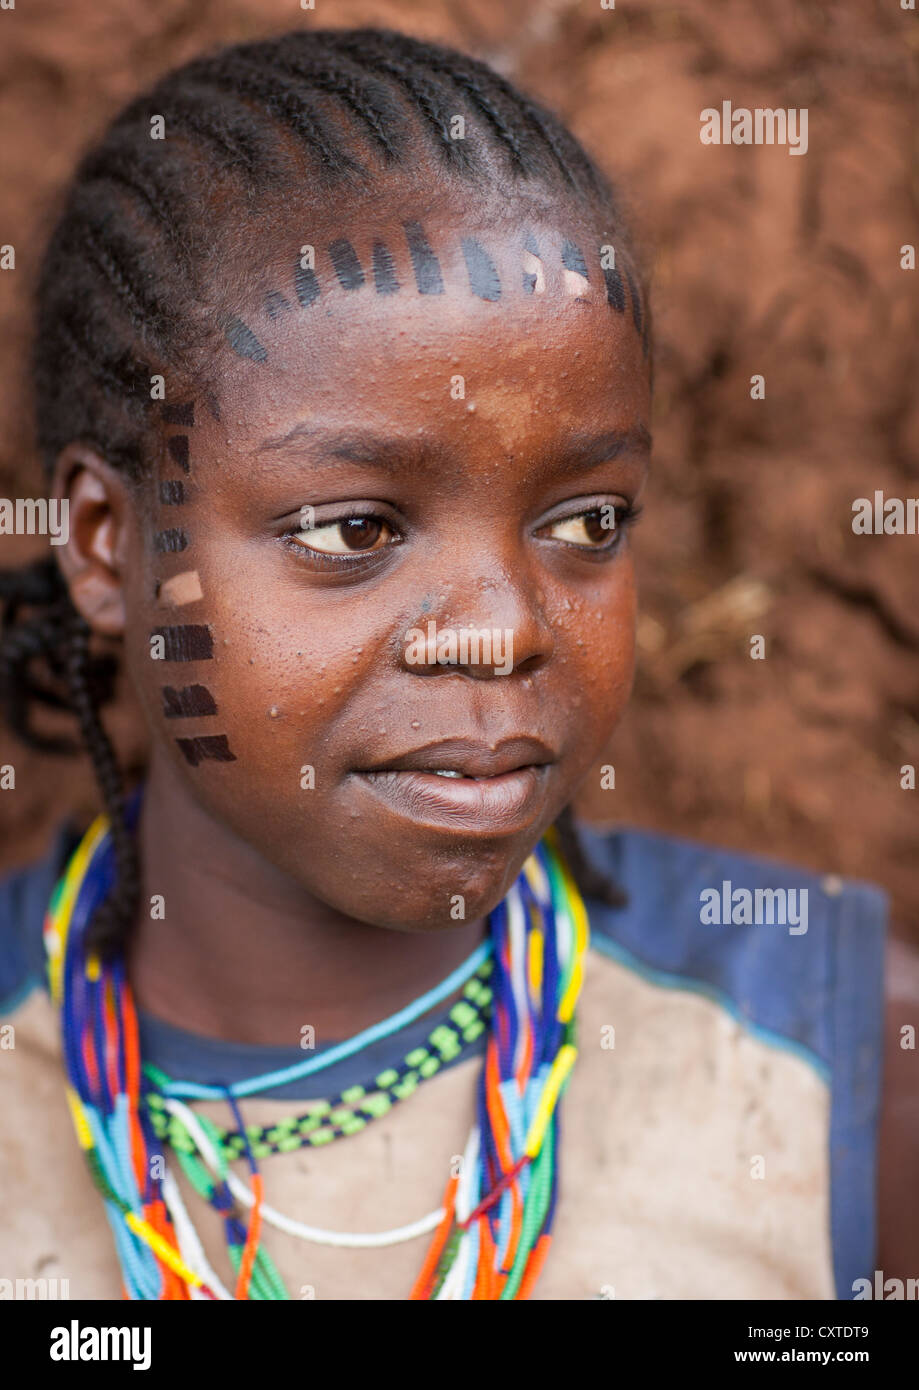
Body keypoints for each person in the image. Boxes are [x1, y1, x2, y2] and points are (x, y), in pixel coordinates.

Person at [0, 26, 914, 1301]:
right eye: (354, 530)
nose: (504, 629)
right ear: (107, 548)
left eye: (585, 522)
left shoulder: (830, 1054)